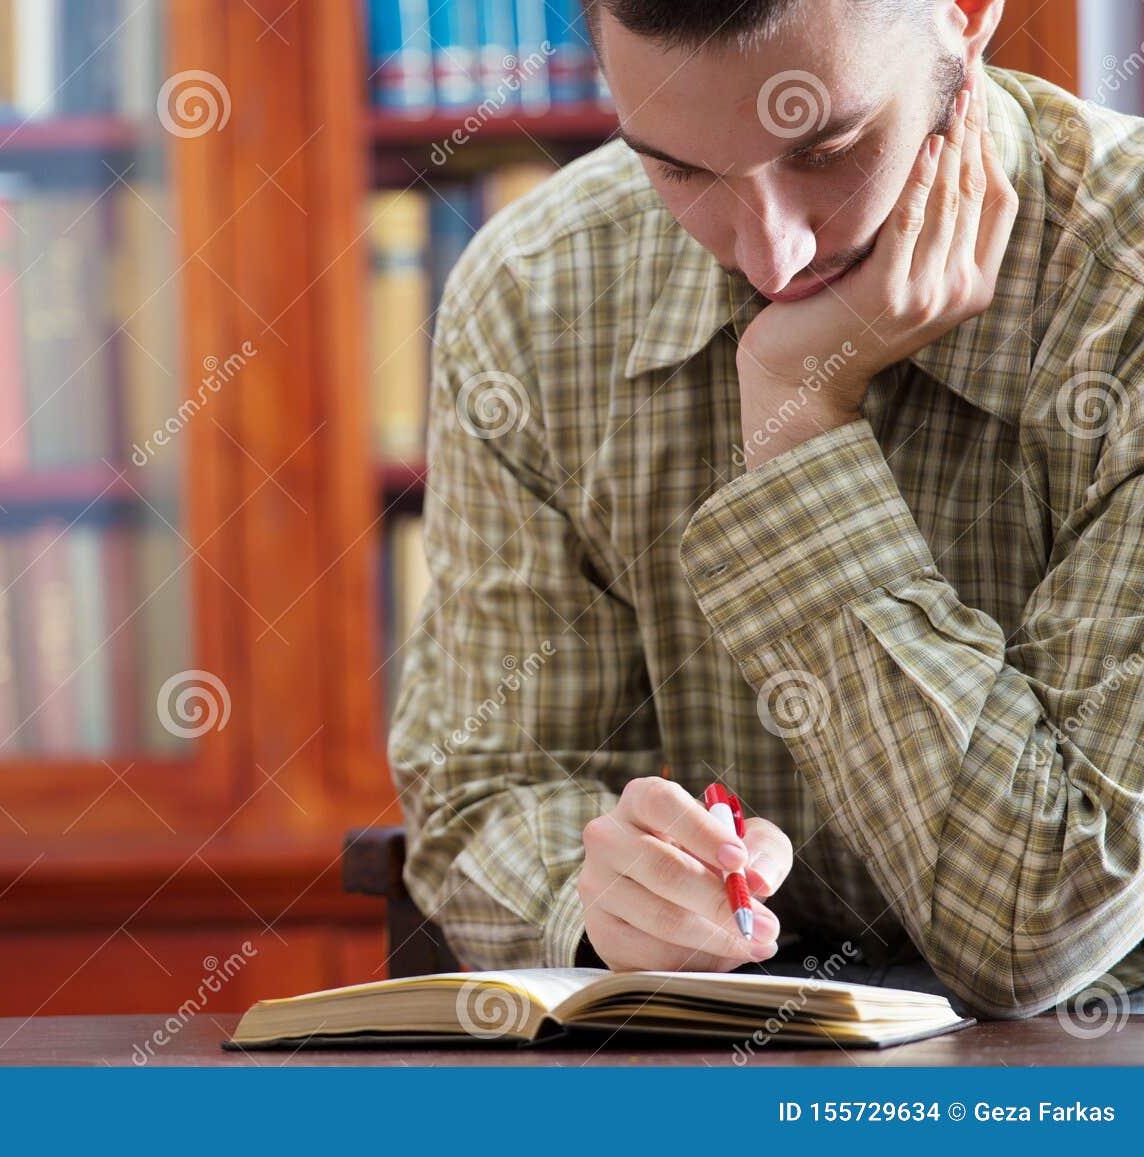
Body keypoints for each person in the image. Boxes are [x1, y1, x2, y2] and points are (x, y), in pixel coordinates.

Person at [388, 0, 1144, 1019]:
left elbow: (1039, 923)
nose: (772, 256)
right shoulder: (536, 293)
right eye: (681, 170)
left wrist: (798, 425)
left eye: (827, 149)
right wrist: (604, 895)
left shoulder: (1125, 291)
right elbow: (489, 790)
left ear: (962, 15)